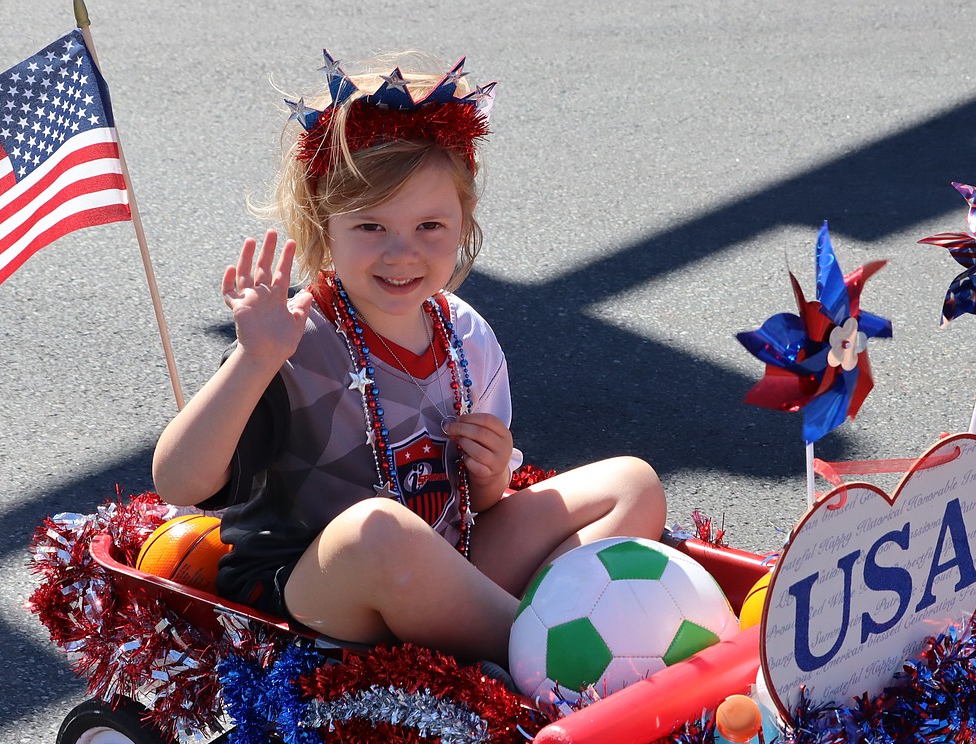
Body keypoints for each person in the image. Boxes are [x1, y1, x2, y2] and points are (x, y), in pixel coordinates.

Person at [151, 51, 667, 668]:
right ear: (324, 224)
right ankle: (556, 657)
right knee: (379, 530)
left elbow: (483, 507)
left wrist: (492, 476)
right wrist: (253, 358)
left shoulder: (465, 334)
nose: (402, 254)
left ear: (462, 224)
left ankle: (555, 625)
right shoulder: (292, 340)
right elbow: (177, 482)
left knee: (631, 483)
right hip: (321, 595)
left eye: (429, 226)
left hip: (449, 560)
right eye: (371, 227)